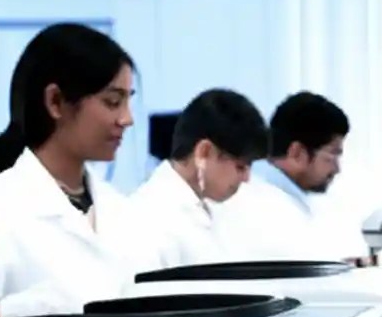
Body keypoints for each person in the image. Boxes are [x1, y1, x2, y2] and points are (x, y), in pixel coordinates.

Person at [0, 22, 153, 317]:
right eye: (112, 102)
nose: (127, 118)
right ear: (56, 102)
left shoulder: (119, 210)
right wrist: (15, 315)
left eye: (128, 101)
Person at [212, 91, 369, 263]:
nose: (337, 168)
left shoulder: (286, 198)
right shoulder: (261, 208)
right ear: (297, 153)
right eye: (333, 155)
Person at [130, 88, 269, 267]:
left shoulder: (219, 208)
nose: (246, 179)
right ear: (204, 152)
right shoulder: (148, 220)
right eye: (240, 166)